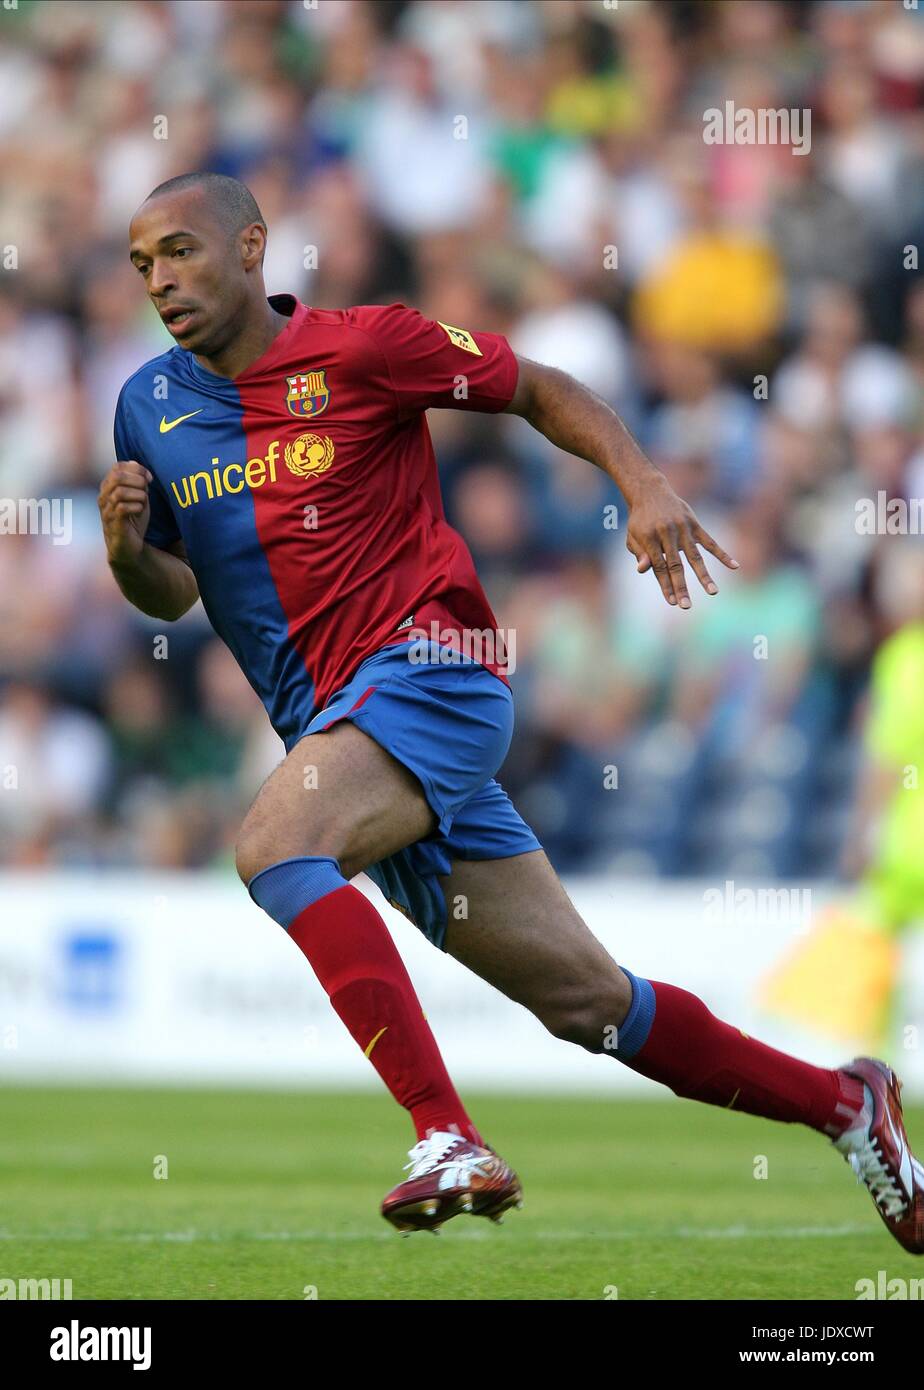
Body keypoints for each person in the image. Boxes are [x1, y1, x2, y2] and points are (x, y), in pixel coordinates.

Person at [98, 172, 922, 1248]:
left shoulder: (367, 347)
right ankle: (847, 1105)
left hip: (432, 671)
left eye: (181, 252)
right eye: (141, 263)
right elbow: (175, 588)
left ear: (252, 248)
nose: (160, 280)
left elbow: (537, 386)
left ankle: (445, 1131)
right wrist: (125, 550)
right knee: (592, 1005)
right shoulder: (146, 407)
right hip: (342, 734)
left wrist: (644, 481)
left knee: (272, 846)